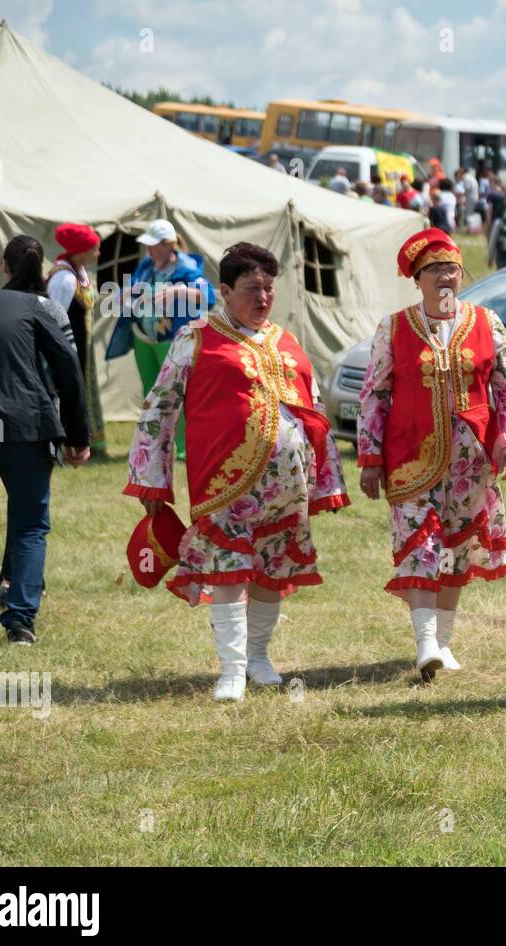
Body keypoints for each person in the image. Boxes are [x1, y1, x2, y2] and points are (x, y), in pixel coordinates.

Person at [125, 243, 350, 701]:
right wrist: (153, 479)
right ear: (225, 291)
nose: (264, 297)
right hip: (225, 483)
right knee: (228, 567)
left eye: (269, 288)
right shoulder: (197, 338)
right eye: (252, 289)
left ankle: (258, 658)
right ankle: (230, 670)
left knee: (270, 568)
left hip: (287, 488)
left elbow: (313, 408)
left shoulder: (285, 340)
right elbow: (159, 409)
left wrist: (326, 478)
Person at [357, 228, 506, 680]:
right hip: (409, 456)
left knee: (457, 547)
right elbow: (375, 395)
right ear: (417, 278)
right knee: (420, 546)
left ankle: (445, 641)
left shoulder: (486, 323)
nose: (445, 277)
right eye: (434, 269)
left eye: (451, 268)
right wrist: (370, 457)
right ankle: (425, 645)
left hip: (471, 461)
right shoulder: (393, 328)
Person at [0, 254, 90, 645]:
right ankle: (21, 622)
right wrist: (78, 436)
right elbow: (68, 366)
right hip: (27, 425)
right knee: (30, 523)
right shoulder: (32, 305)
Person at [107, 219, 216, 463]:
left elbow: (208, 297)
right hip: (143, 338)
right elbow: (133, 287)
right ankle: (154, 444)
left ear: (169, 245)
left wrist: (180, 291)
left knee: (176, 393)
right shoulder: (147, 265)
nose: (148, 249)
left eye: (154, 245)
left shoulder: (187, 267)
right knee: (151, 392)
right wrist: (123, 294)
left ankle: (183, 447)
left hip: (171, 340)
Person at [47, 223, 108, 458]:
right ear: (81, 251)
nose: (98, 253)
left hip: (82, 345)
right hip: (67, 345)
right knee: (67, 390)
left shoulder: (78, 273)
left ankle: (88, 440)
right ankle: (67, 443)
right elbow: (54, 314)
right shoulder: (64, 278)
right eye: (95, 248)